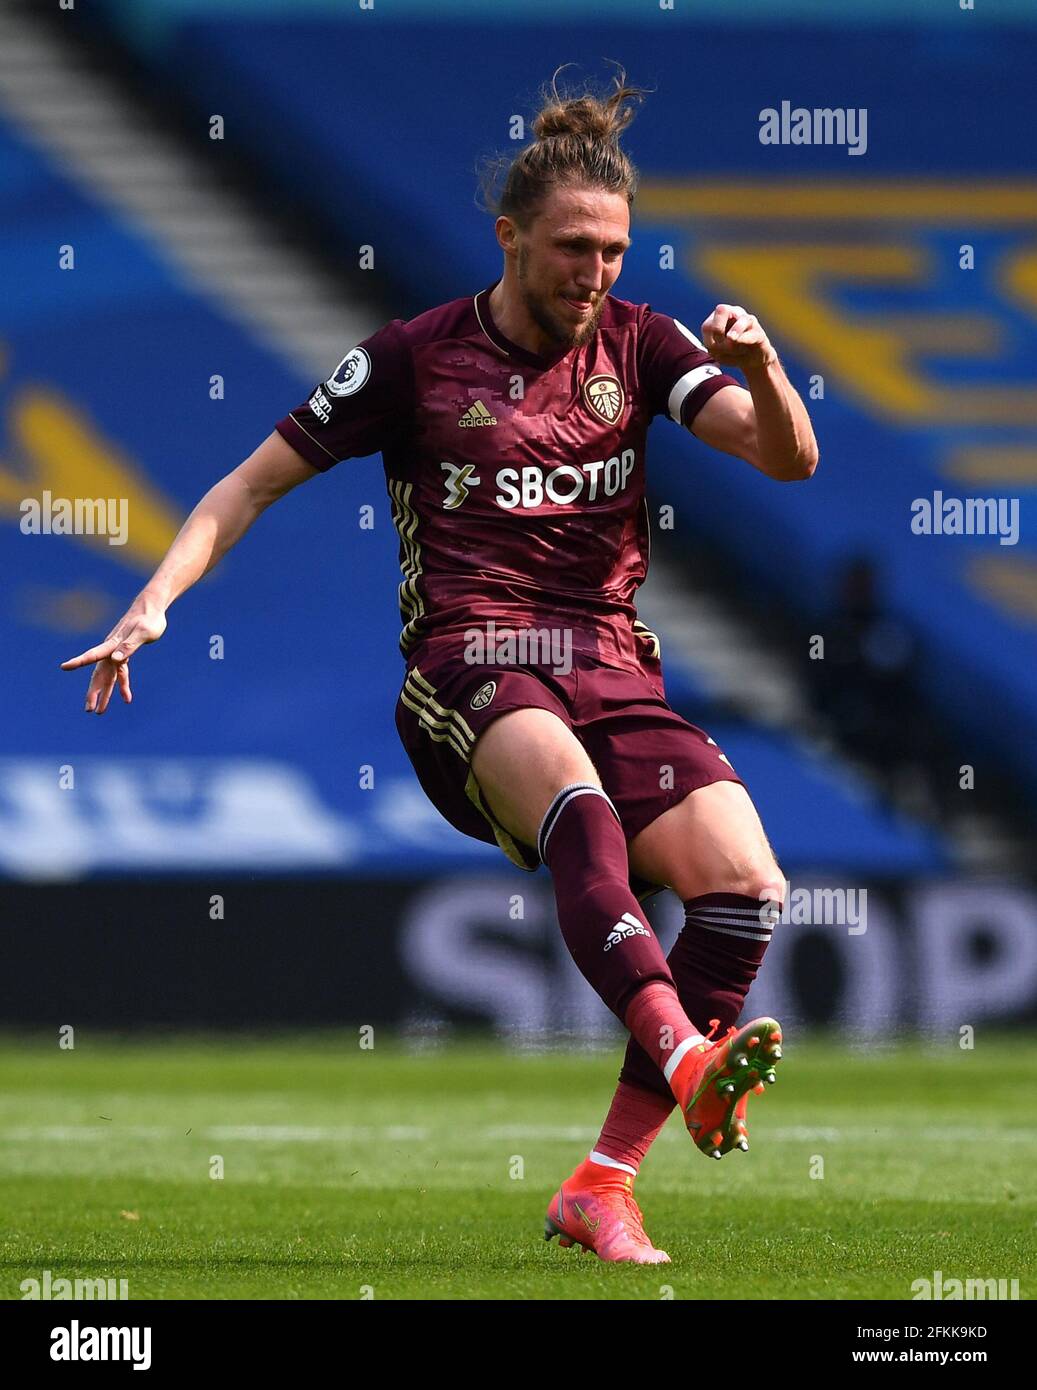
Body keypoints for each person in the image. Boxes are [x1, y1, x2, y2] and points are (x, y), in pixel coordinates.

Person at [62, 66, 818, 1264]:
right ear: (509, 237)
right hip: (467, 664)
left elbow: (787, 461)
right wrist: (154, 600)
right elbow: (248, 483)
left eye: (614, 250)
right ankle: (685, 1051)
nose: (595, 272)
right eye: (572, 247)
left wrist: (767, 368)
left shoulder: (644, 343)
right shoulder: (414, 358)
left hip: (612, 662)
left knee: (744, 883)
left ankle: (601, 1182)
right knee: (576, 807)